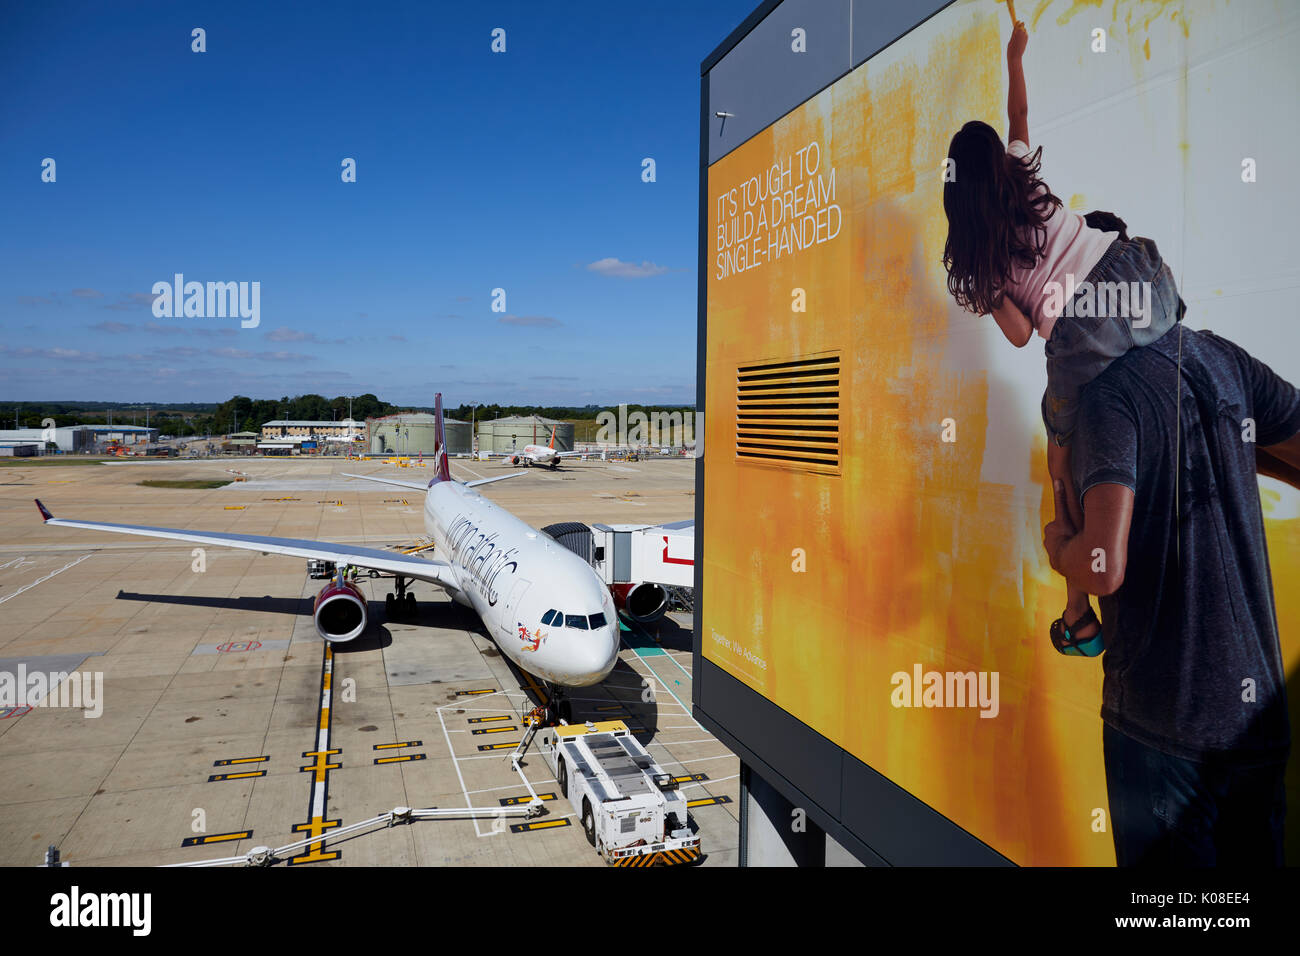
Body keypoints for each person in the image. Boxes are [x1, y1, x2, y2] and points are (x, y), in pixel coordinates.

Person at [941, 19, 1184, 655]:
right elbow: (1019, 110)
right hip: (1140, 276)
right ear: (998, 160)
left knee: (1061, 466)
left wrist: (999, 291)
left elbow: (1023, 336)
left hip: (1082, 327)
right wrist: (1015, 53)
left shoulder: (980, 259)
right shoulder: (1024, 175)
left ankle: (1078, 611)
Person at [1043, 322, 1300, 865]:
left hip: (1165, 731)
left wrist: (1059, 548)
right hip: (1258, 727)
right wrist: (1233, 449)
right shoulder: (1222, 358)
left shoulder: (1103, 394)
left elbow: (1101, 566)